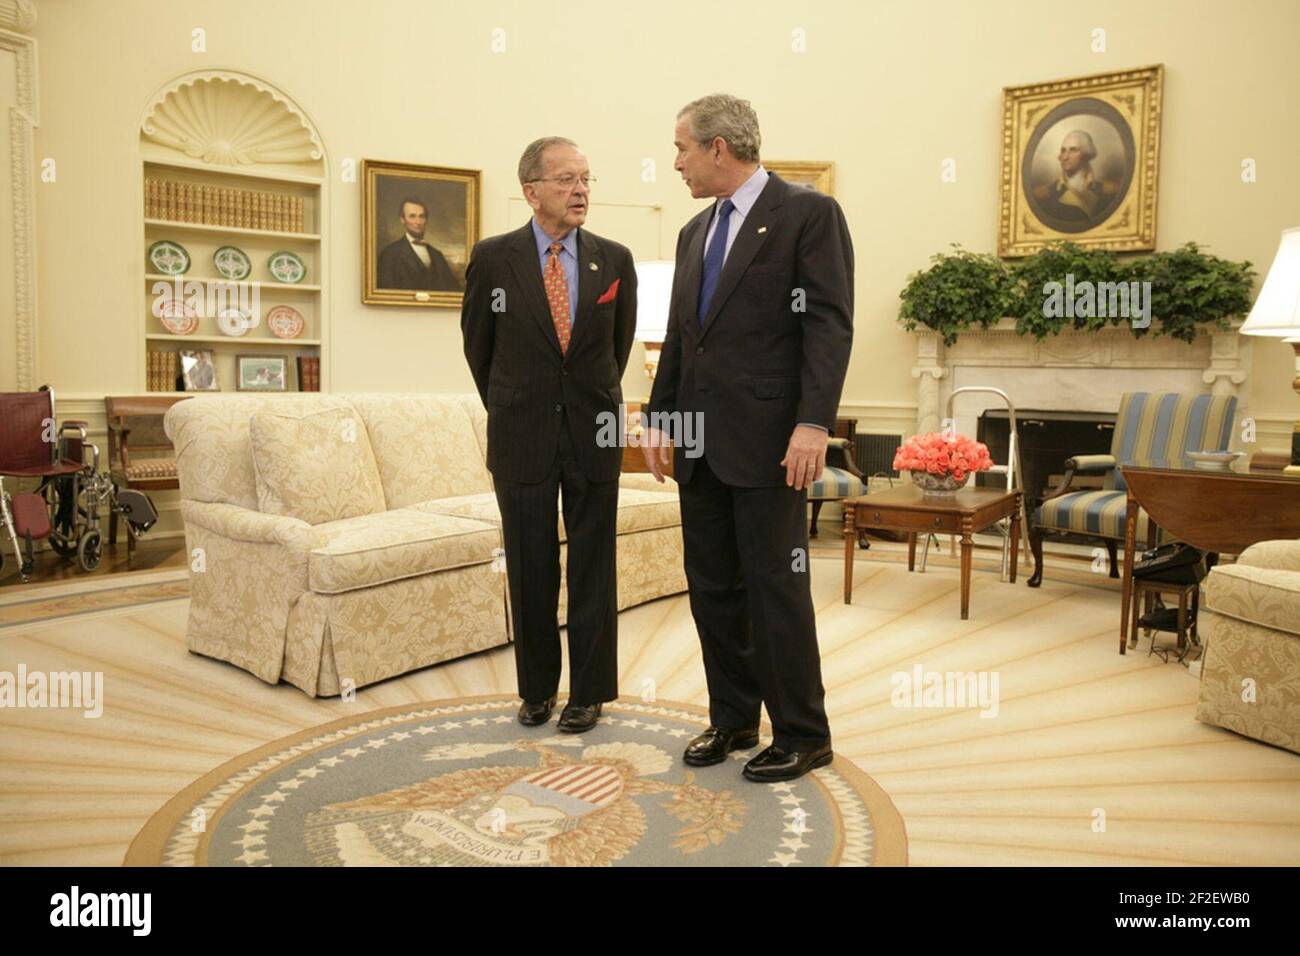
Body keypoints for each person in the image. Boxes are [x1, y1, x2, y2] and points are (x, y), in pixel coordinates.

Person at [642, 94, 854, 782]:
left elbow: (828, 324)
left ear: (718, 149)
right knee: (712, 588)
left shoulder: (807, 214)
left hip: (771, 442)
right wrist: (659, 416)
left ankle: (801, 731)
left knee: (775, 587)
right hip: (702, 445)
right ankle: (732, 718)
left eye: (681, 149)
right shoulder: (692, 233)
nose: (675, 162)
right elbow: (682, 338)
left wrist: (813, 422)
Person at [461, 137, 637, 733]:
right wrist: (517, 407)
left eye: (586, 179)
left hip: (596, 433)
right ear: (531, 191)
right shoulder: (493, 258)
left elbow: (617, 349)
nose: (580, 190)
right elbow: (478, 350)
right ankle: (536, 690)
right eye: (565, 180)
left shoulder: (615, 259)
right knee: (530, 569)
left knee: (594, 568)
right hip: (521, 436)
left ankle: (588, 693)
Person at [377, 198, 462, 291]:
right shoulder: (389, 254)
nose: (418, 222)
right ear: (402, 220)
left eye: (421, 216)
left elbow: (453, 291)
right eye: (412, 216)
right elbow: (386, 293)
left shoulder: (437, 256)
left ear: (426, 220)